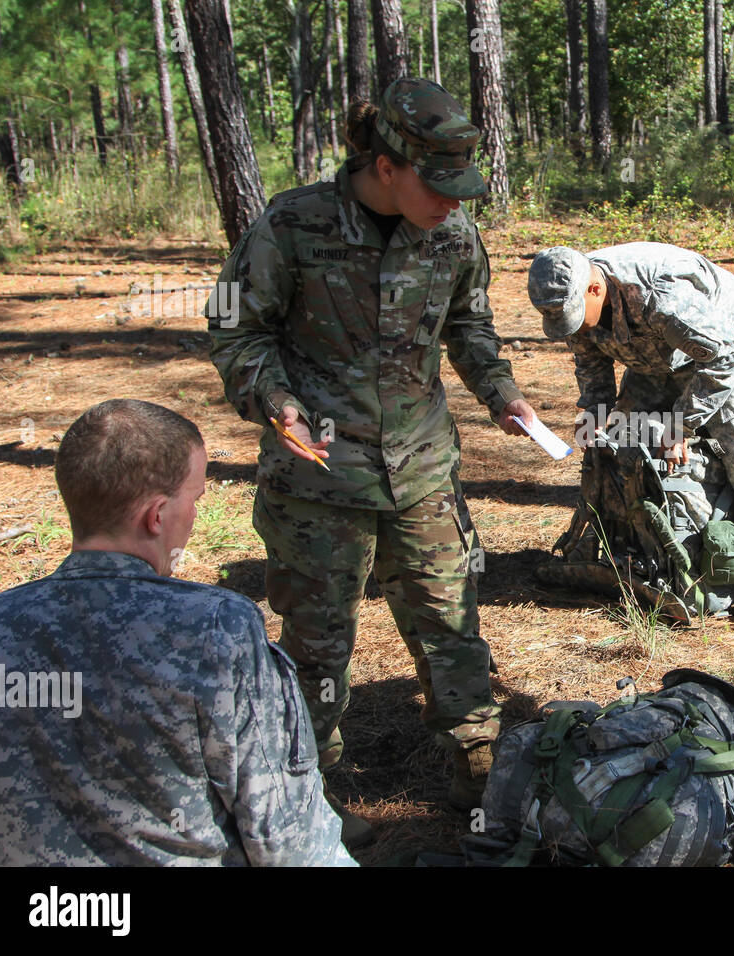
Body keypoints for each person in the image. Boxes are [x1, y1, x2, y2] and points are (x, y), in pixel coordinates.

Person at [207, 77, 536, 816]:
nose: (454, 202)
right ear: (385, 165)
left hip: (422, 470)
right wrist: (275, 402)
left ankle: (479, 778)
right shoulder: (293, 224)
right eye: (440, 183)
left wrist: (500, 390)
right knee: (317, 650)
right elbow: (234, 325)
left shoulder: (453, 233)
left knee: (450, 627)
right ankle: (305, 800)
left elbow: (470, 328)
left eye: (463, 186)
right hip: (319, 482)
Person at [0, 399, 353, 865]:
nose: (195, 514)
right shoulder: (219, 629)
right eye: (194, 499)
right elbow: (292, 842)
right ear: (156, 516)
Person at [527, 243, 734, 631]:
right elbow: (591, 362)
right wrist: (595, 415)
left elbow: (723, 360)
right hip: (657, 355)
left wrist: (680, 426)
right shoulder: (574, 298)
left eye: (574, 316)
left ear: (594, 290)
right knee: (622, 439)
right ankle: (637, 550)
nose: (573, 326)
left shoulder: (661, 294)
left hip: (727, 347)